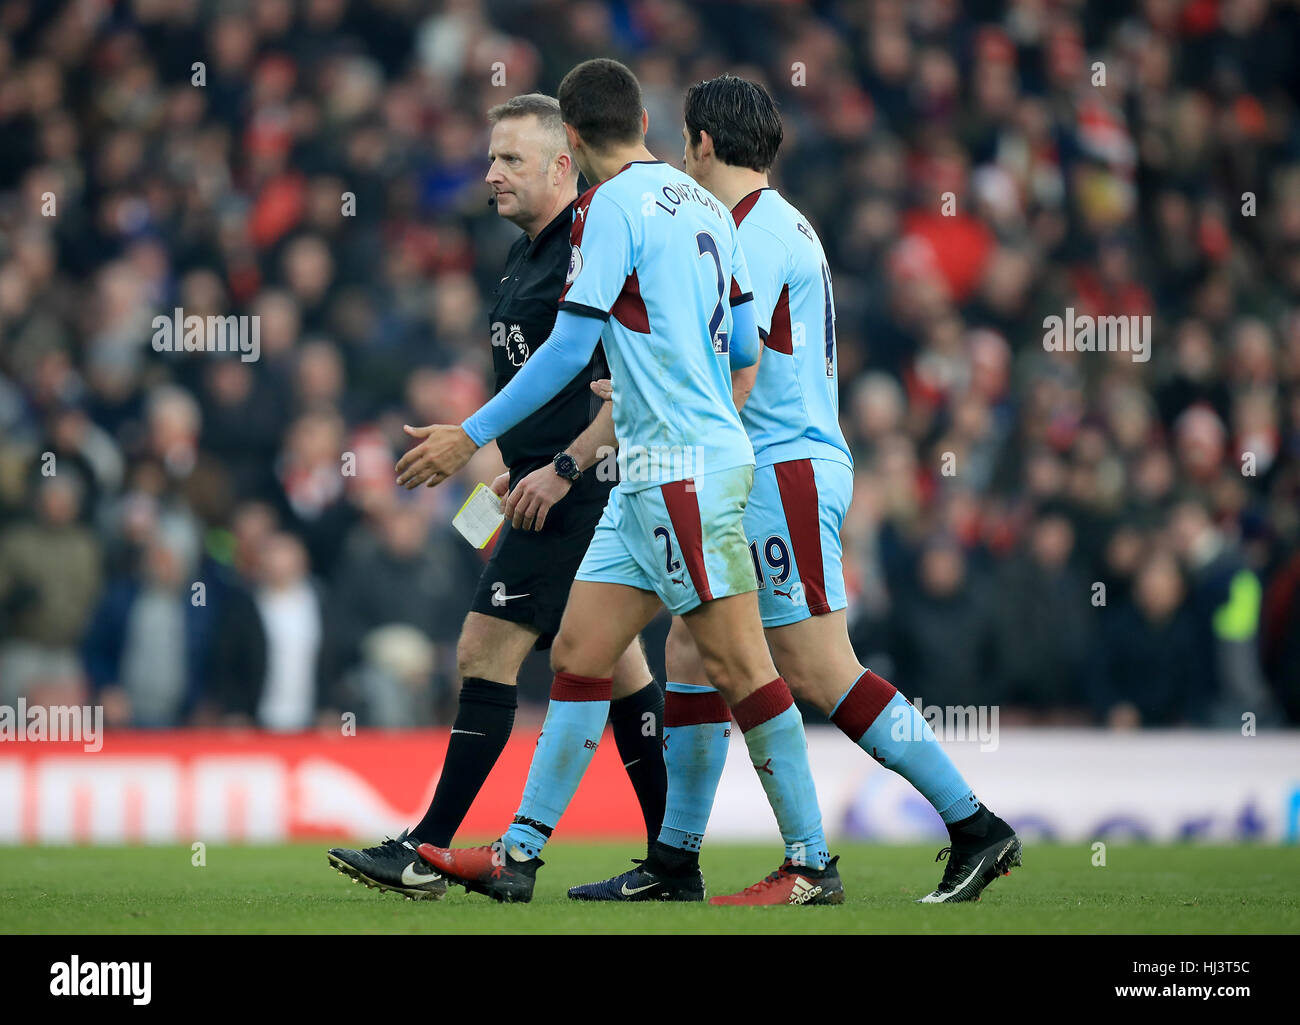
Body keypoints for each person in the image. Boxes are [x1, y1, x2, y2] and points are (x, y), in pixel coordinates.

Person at [399, 59, 843, 906]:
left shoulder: (607, 210)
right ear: (642, 121)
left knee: (739, 663)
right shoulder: (708, 204)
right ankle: (519, 855)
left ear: (569, 136)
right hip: (652, 467)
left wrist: (470, 434)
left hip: (680, 471)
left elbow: (568, 350)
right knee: (580, 651)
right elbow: (744, 348)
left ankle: (813, 861)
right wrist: (655, 378)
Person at [571, 76, 1019, 905]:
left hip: (784, 466)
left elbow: (736, 371)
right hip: (768, 464)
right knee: (689, 649)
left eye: (684, 141)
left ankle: (972, 824)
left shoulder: (755, 233)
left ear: (703, 145)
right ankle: (674, 860)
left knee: (818, 668)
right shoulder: (766, 224)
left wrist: (658, 403)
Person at [327, 93, 664, 900]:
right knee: (615, 665)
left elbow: (627, 387)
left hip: (578, 489)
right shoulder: (527, 254)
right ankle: (671, 860)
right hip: (549, 480)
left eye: (510, 159)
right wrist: (520, 457)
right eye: (490, 158)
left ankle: (426, 847)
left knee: (485, 647)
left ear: (561, 163)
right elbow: (555, 381)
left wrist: (554, 463)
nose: (491, 174)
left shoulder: (592, 243)